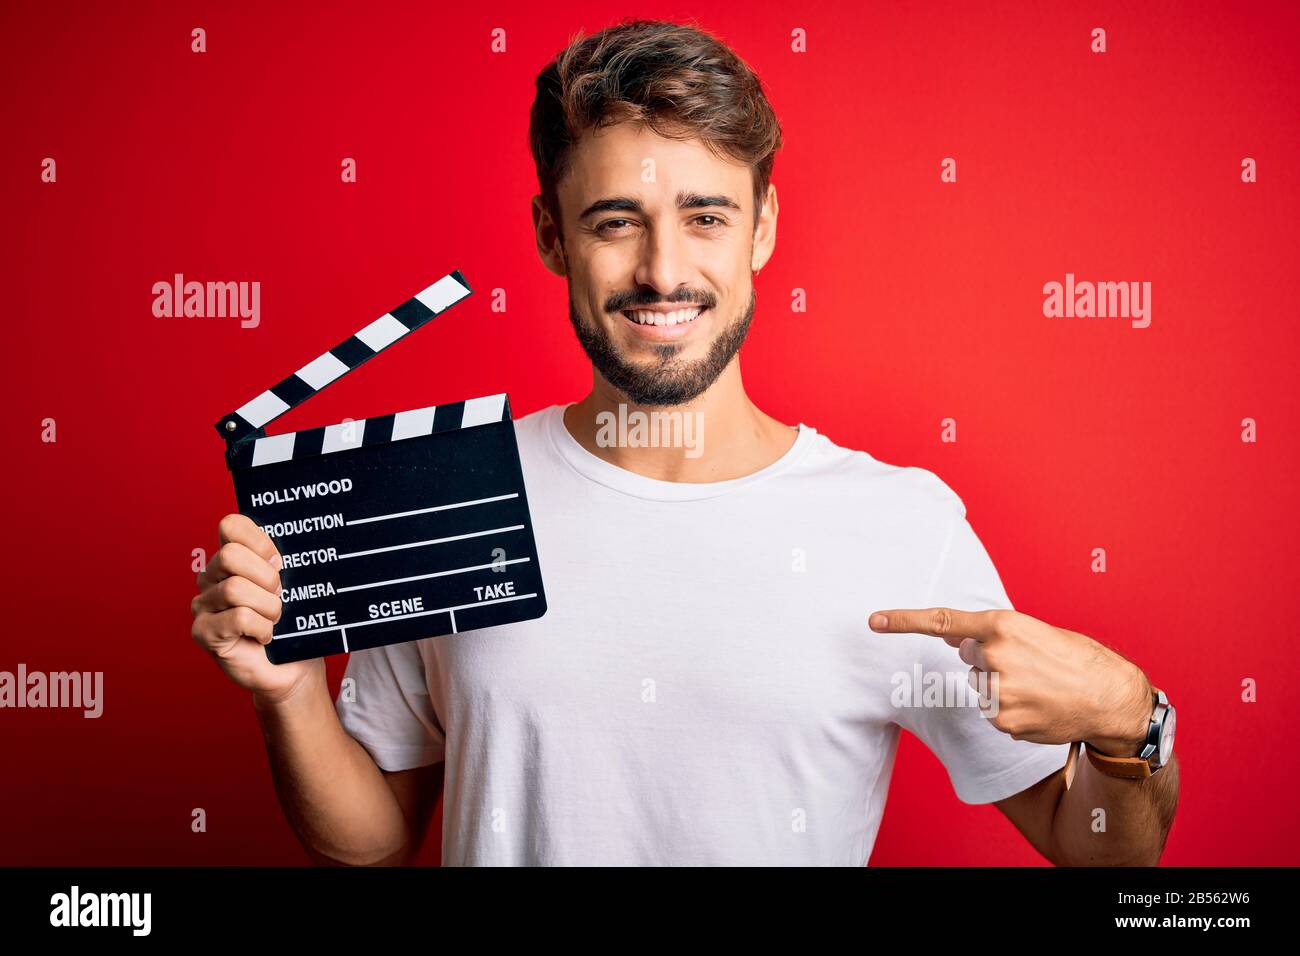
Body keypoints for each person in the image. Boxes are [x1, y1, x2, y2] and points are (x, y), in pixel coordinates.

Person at [190, 18, 1178, 866]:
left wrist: (1128, 717)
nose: (664, 271)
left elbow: (1096, 843)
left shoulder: (897, 526)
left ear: (761, 228)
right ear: (548, 234)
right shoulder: (447, 494)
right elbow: (368, 837)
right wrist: (286, 694)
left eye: (704, 217)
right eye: (615, 222)